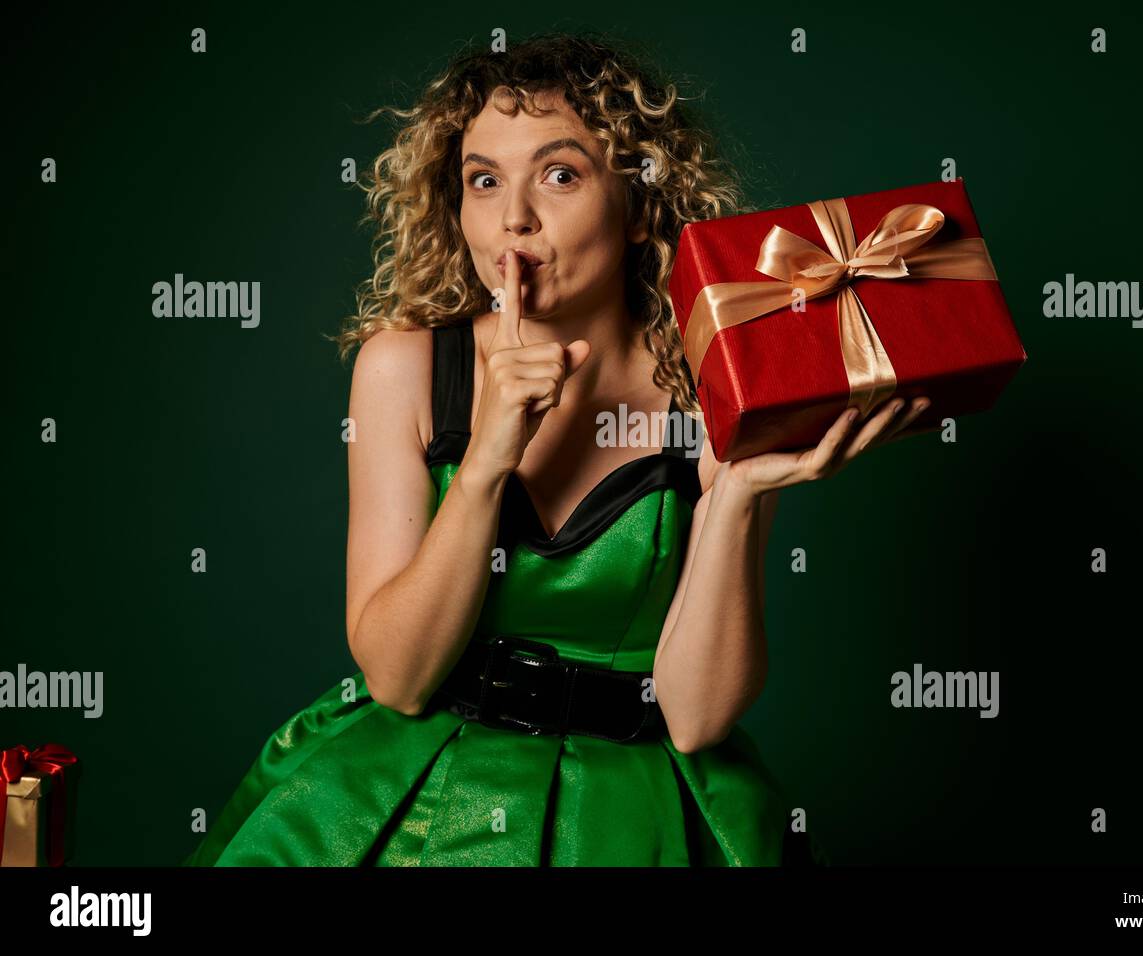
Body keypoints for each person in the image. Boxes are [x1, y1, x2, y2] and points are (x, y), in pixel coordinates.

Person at [183, 33, 930, 867]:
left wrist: (739, 491)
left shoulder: (719, 383)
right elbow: (397, 677)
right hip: (406, 789)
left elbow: (696, 715)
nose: (514, 219)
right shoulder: (406, 368)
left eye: (560, 174)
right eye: (484, 181)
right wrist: (488, 459)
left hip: (631, 812)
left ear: (642, 204)